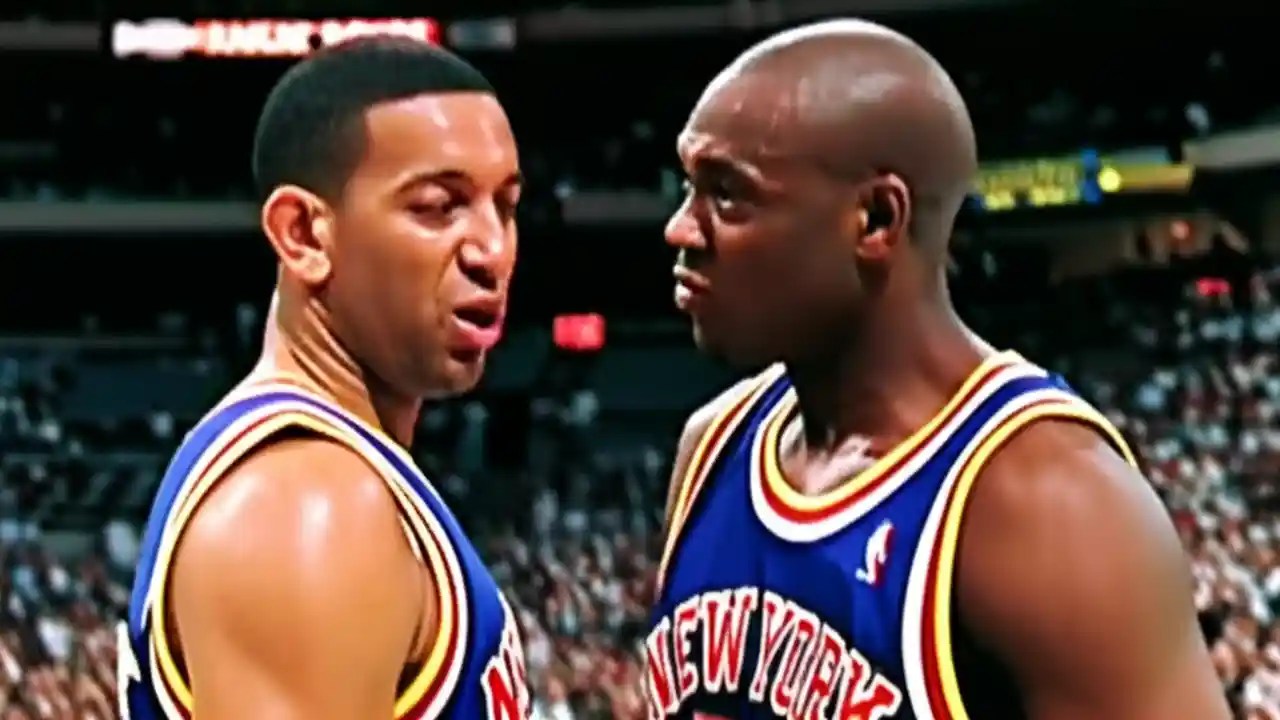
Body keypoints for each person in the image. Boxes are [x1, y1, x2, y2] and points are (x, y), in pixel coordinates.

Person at [646, 19, 1229, 720]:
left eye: (727, 194)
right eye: (689, 187)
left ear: (875, 219)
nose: (681, 228)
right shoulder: (712, 446)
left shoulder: (1046, 502)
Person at [118, 36, 531, 719]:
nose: (492, 249)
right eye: (439, 205)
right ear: (304, 235)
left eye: (506, 207)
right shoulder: (309, 504)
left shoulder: (328, 470)